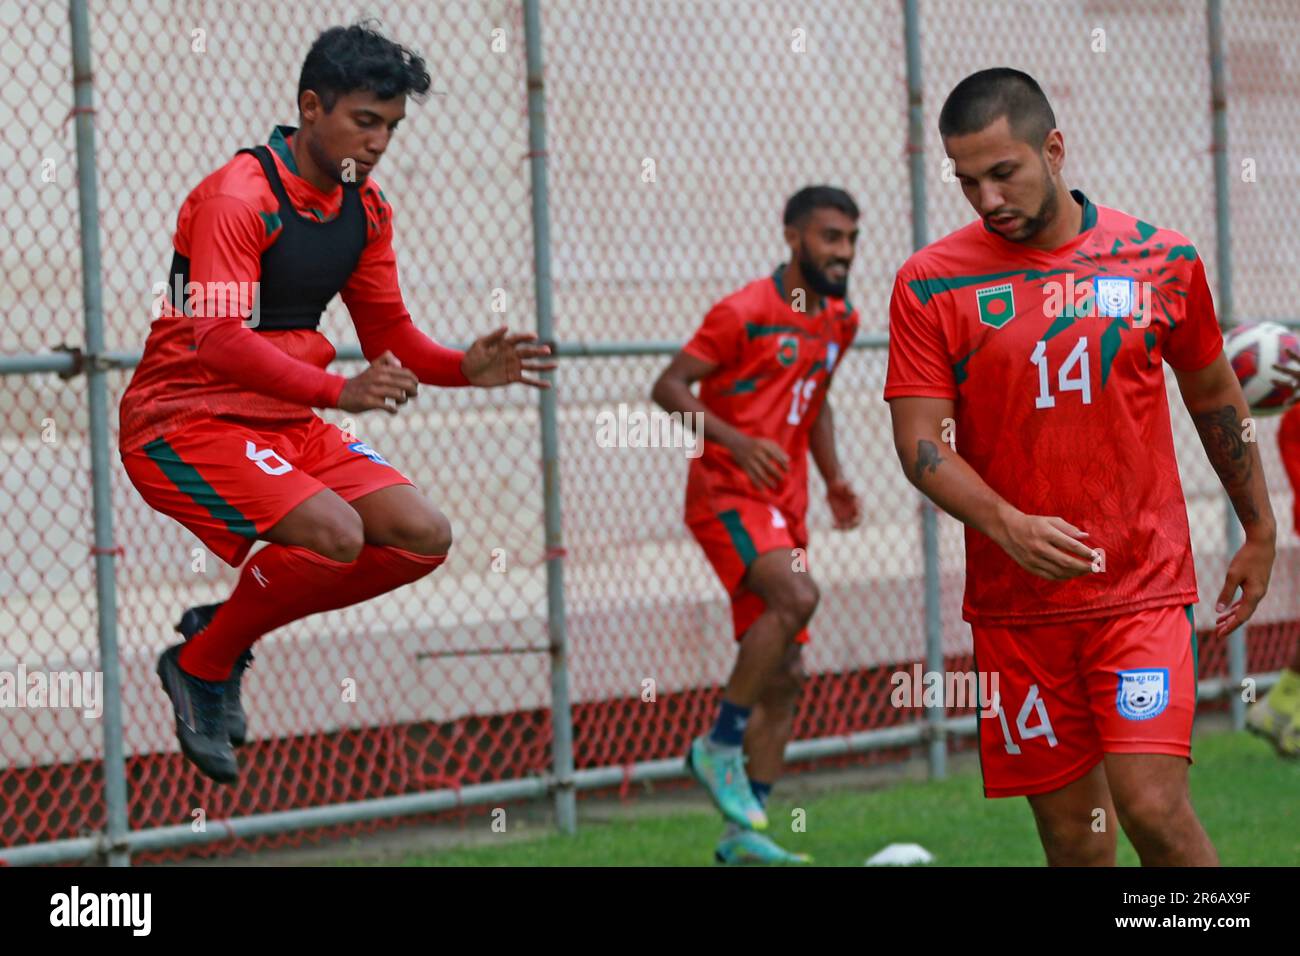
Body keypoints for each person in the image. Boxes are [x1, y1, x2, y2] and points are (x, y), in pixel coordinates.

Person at [118, 23, 553, 783]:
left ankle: (209, 643)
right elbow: (218, 338)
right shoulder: (237, 197)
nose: (380, 141)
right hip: (183, 421)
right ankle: (207, 659)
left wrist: (463, 368)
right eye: (365, 120)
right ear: (310, 107)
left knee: (422, 535)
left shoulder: (366, 207)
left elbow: (394, 336)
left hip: (283, 419)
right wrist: (335, 390)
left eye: (391, 126)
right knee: (336, 533)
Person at [884, 68, 1274, 866]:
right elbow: (921, 444)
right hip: (1019, 610)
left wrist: (1260, 526)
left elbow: (1213, 395)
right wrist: (1006, 523)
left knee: (1152, 810)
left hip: (1140, 586)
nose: (986, 198)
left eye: (1004, 173)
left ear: (1053, 149)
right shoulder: (930, 282)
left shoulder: (1159, 260)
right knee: (1074, 840)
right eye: (966, 181)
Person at [651, 186, 862, 863]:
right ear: (793, 237)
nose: (843, 252)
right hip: (728, 494)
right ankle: (717, 746)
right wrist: (737, 442)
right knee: (797, 597)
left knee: (788, 669)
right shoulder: (744, 310)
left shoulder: (840, 319)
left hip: (786, 505)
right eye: (830, 237)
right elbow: (669, 387)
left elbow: (817, 399)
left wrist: (833, 479)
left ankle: (745, 836)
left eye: (851, 239)